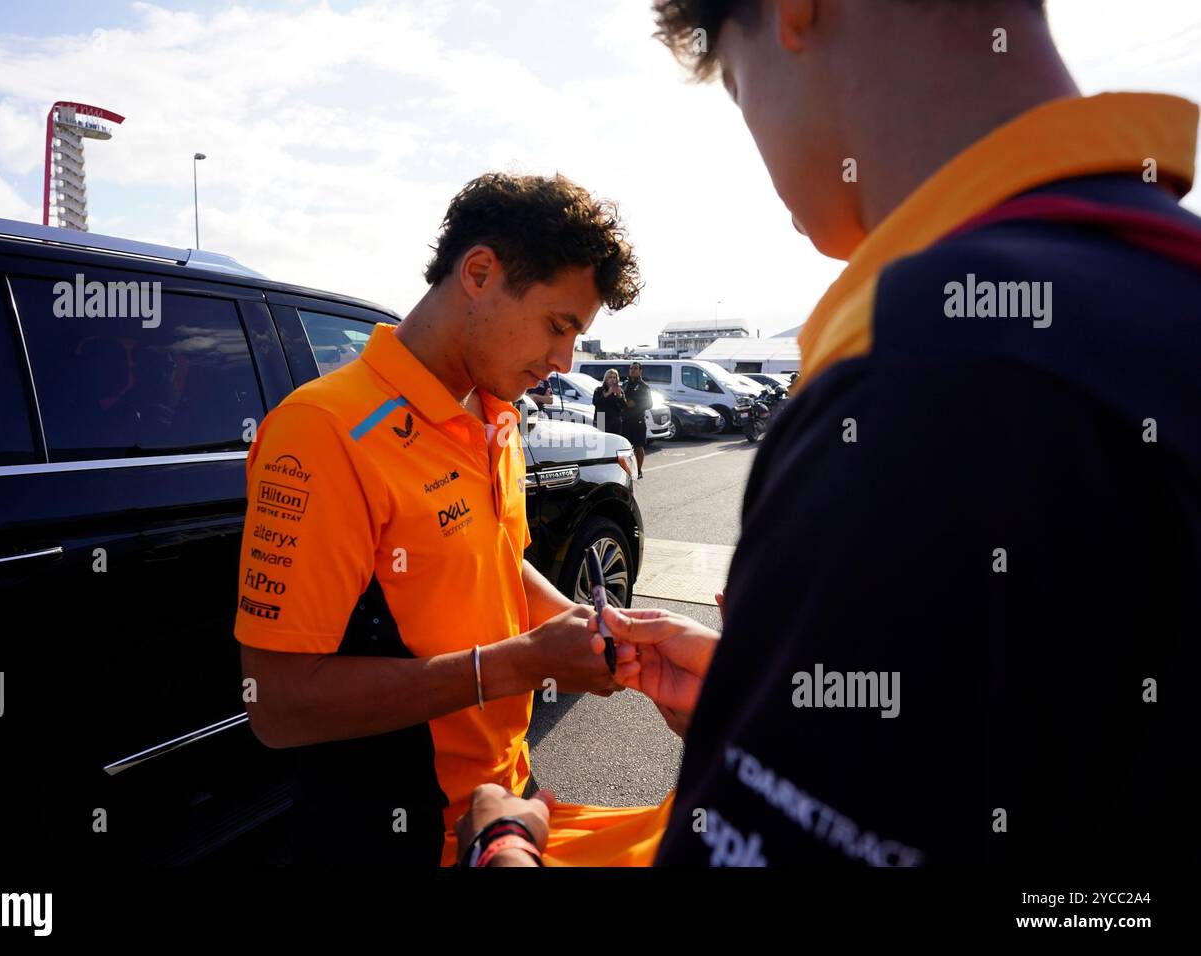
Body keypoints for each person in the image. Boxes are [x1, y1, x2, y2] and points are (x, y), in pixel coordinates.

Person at [455, 0, 1197, 866]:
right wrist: (772, 704)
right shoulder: (1150, 293)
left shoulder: (919, 374)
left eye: (737, 84)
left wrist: (501, 842)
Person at [235, 171, 670, 866]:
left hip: (509, 810)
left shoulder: (495, 412)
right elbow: (278, 705)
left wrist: (596, 632)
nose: (564, 362)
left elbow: (493, 562)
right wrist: (517, 665)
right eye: (559, 326)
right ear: (478, 272)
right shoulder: (324, 431)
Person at [621, 361, 652, 477]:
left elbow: (649, 404)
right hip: (625, 421)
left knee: (639, 446)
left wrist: (635, 404)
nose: (632, 370)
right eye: (631, 368)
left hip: (638, 421)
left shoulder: (644, 386)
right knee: (625, 447)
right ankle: (626, 470)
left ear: (640, 371)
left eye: (635, 368)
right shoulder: (625, 384)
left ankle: (638, 470)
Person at [591, 367, 627, 436]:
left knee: (615, 443)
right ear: (606, 379)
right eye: (610, 377)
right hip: (601, 418)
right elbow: (595, 402)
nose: (612, 379)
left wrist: (620, 397)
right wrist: (607, 394)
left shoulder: (619, 390)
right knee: (601, 442)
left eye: (614, 377)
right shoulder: (599, 390)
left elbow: (624, 407)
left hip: (615, 420)